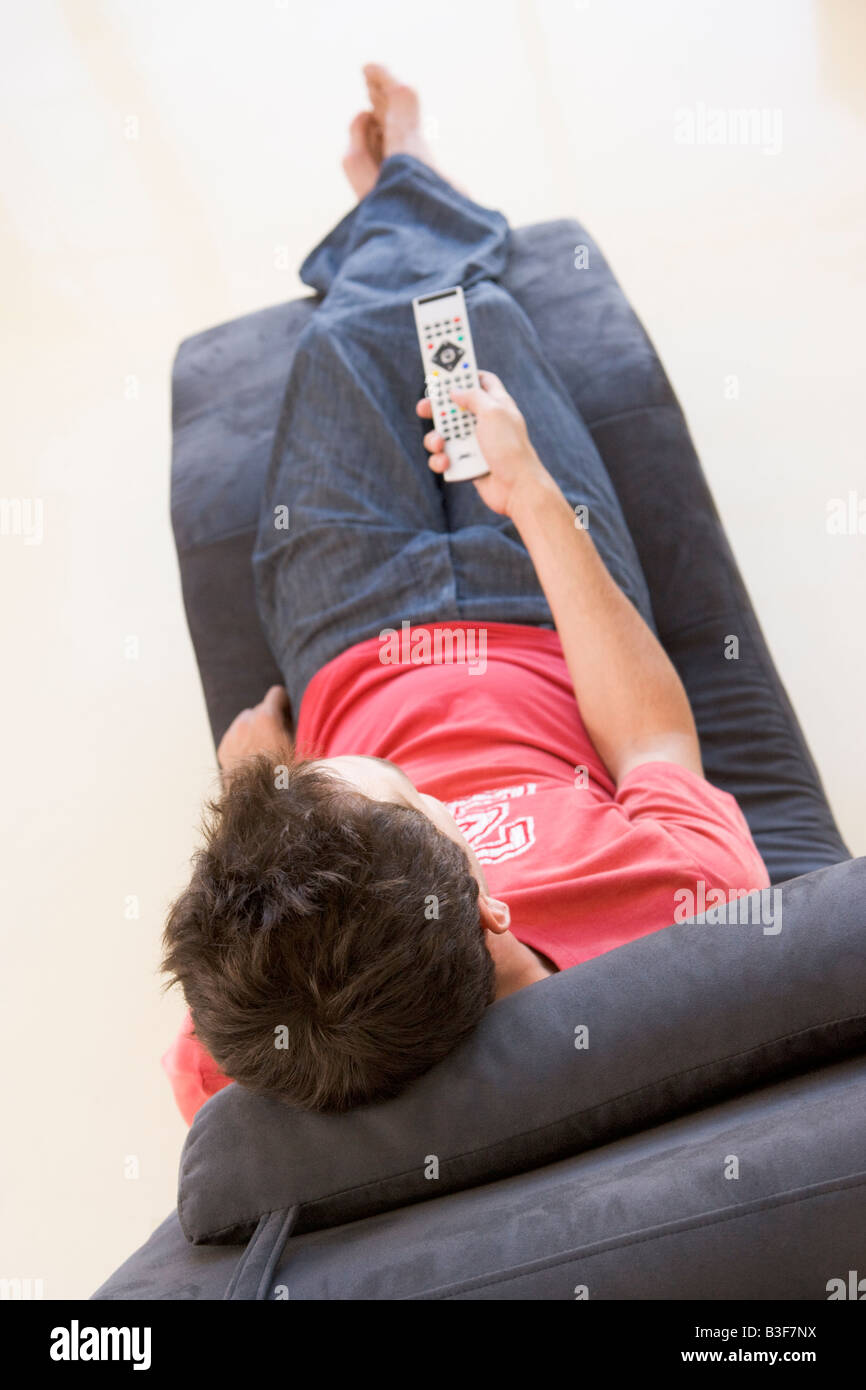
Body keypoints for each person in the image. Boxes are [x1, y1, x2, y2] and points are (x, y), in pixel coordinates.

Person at [161, 65, 769, 1122]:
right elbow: (654, 743)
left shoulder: (244, 1039)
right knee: (471, 314)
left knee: (344, 341)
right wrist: (529, 495)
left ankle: (392, 200)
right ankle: (407, 179)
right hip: (539, 603)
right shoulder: (682, 906)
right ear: (488, 904)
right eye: (397, 789)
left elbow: (227, 970)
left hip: (343, 615)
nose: (354, 766)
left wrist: (252, 794)